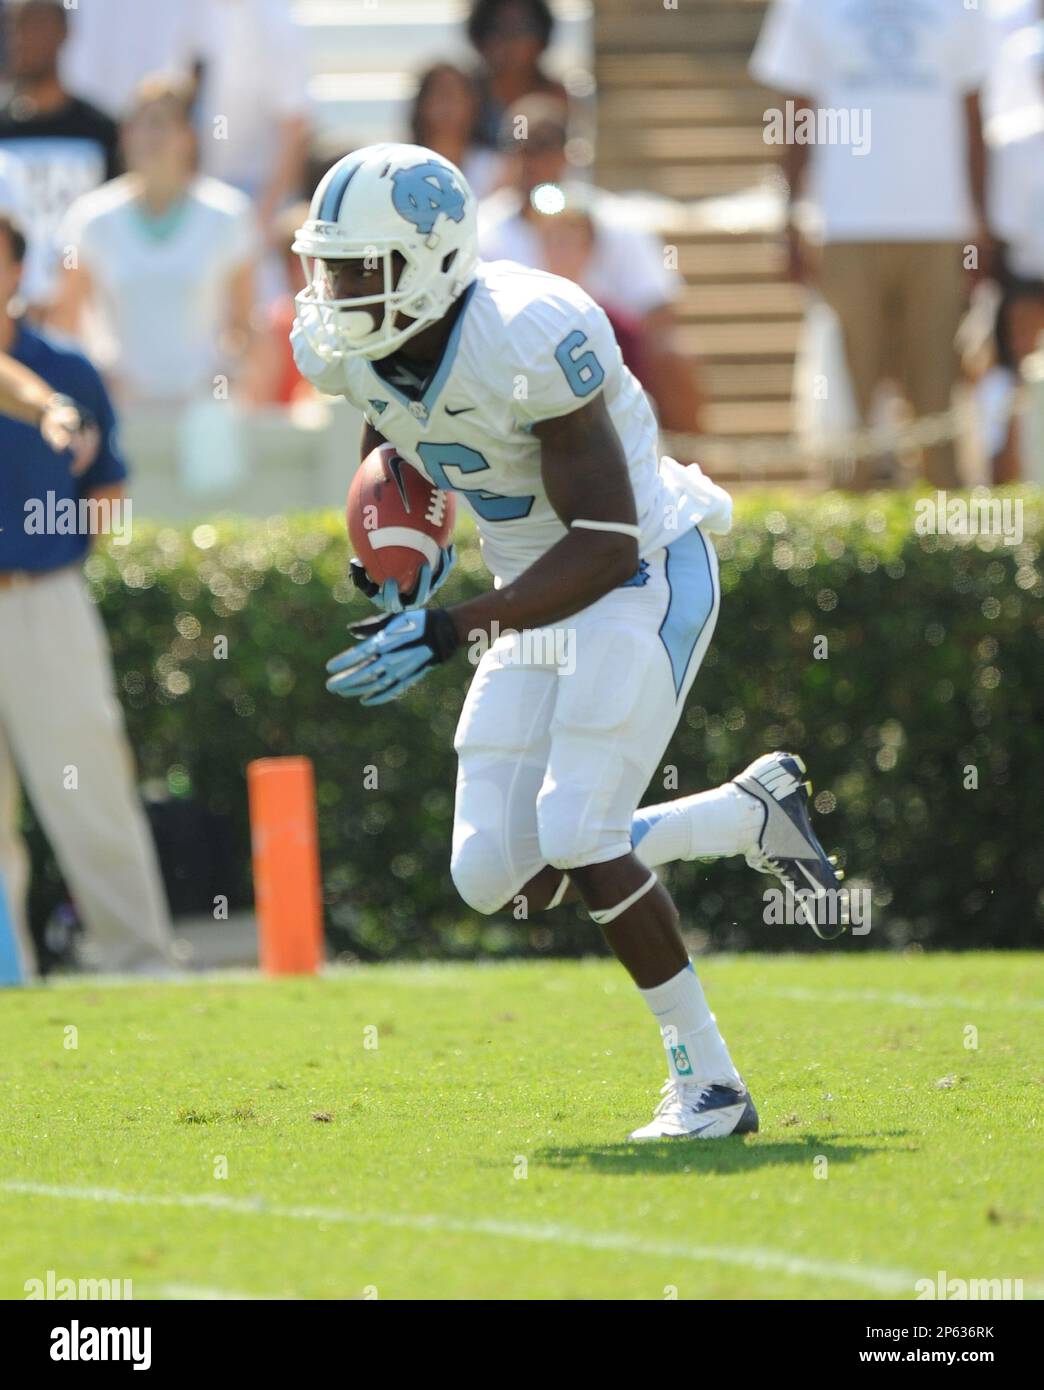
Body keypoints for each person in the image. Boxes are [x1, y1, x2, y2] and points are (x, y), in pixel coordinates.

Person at [290, 145, 845, 1141]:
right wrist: (400, 547)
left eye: (356, 271)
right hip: (531, 591)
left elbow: (604, 539)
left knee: (581, 829)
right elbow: (393, 432)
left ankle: (711, 1085)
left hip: (640, 572)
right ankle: (748, 814)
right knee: (493, 870)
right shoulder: (349, 345)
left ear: (430, 261)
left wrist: (453, 625)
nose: (332, 293)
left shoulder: (532, 330)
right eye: (327, 267)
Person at [0, 213, 175, 979]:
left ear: (17, 271)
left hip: (46, 600)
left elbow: (108, 488)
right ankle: (9, 977)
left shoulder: (67, 365)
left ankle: (141, 964)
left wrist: (59, 556)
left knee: (91, 789)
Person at [751, 0, 994, 489]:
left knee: (936, 391)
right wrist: (790, 213)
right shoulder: (807, 7)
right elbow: (796, 113)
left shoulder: (964, 7)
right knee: (846, 394)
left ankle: (947, 536)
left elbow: (973, 114)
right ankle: (847, 535)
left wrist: (978, 221)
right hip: (846, 224)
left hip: (938, 227)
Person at [479, 97, 703, 431]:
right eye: (518, 145)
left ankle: (687, 464)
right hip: (513, 363)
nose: (531, 159)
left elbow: (659, 312)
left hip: (610, 358)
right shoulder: (480, 231)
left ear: (567, 152)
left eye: (543, 145)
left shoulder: (619, 223)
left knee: (672, 353)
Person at [53, 75, 257, 411]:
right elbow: (66, 324)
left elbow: (244, 327)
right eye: (141, 125)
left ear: (187, 138)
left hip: (203, 415)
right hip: (119, 411)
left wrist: (223, 383)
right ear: (125, 135)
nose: (151, 136)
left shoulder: (229, 215)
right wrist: (96, 384)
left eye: (162, 124)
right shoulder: (89, 218)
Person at [0, 0, 119, 310]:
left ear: (64, 34)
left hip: (86, 312)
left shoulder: (100, 130)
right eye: (16, 27)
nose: (24, 38)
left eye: (37, 25)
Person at [466, 0, 568, 148]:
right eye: (497, 28)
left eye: (523, 28)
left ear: (541, 37)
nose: (511, 40)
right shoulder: (466, 96)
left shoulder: (556, 97)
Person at [409, 62, 503, 203]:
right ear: (422, 104)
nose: (447, 107)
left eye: (454, 96)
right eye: (439, 95)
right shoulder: (402, 166)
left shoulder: (498, 168)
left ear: (474, 105)